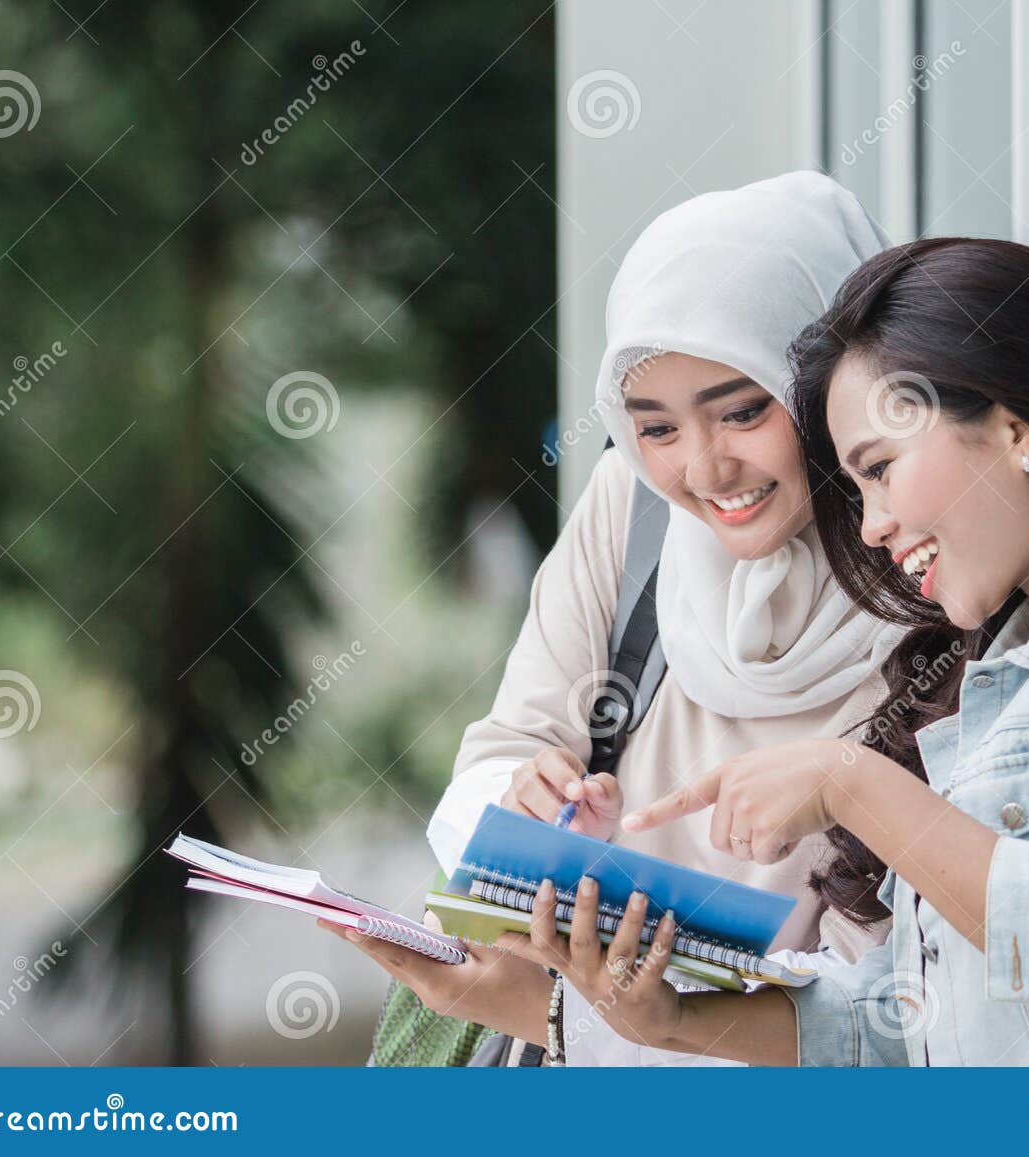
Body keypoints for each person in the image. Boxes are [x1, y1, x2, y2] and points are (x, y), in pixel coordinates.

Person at [500, 236, 1029, 1066]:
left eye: (880, 468)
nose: (872, 525)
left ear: (1015, 427)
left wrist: (849, 784)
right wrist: (672, 1017)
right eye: (856, 484)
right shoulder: (1005, 669)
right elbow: (902, 1016)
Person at [323, 171, 904, 1065]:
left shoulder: (932, 579)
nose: (706, 471)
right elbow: (505, 746)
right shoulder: (635, 513)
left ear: (836, 382)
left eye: (743, 410)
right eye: (657, 429)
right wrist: (533, 799)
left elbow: (887, 1012)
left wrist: (582, 1013)